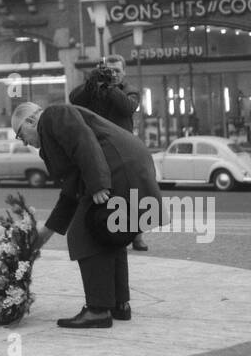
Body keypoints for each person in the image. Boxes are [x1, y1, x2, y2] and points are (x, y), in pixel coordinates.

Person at [12, 101, 160, 328]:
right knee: (111, 234)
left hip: (117, 170)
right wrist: (44, 235)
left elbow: (84, 141)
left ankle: (98, 310)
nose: (24, 142)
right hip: (129, 167)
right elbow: (71, 190)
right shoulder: (53, 135)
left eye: (21, 135)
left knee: (83, 234)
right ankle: (119, 305)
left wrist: (99, 183)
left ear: (32, 121)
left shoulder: (53, 115)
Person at [69, 55, 147, 250]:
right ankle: (106, 231)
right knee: (103, 191)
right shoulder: (96, 88)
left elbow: (128, 107)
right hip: (100, 149)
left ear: (124, 72)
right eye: (109, 71)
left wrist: (110, 86)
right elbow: (74, 99)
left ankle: (136, 235)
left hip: (124, 150)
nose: (113, 74)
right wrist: (92, 81)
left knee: (130, 194)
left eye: (117, 71)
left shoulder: (130, 90)